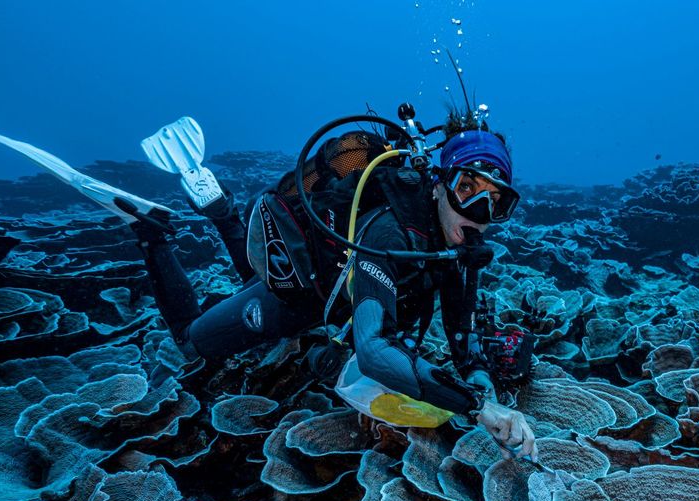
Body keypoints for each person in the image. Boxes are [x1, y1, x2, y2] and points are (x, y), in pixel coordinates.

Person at [117, 111, 537, 460]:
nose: (478, 212)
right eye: (467, 189)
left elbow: (464, 348)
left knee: (251, 278)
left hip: (336, 303)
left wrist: (490, 396)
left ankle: (223, 212)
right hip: (303, 296)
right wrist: (479, 407)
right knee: (193, 343)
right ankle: (151, 232)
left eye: (495, 202)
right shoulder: (390, 234)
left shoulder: (458, 250)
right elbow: (373, 352)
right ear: (439, 184)